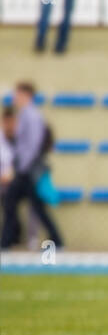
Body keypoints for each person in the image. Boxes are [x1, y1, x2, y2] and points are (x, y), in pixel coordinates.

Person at [0, 83, 62, 250]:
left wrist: (22, 166)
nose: (15, 97)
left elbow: (33, 144)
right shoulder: (25, 114)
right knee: (31, 206)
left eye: (17, 94)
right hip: (25, 169)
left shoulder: (32, 115)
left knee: (15, 202)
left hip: (27, 170)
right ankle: (55, 239)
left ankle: (6, 241)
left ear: (26, 95)